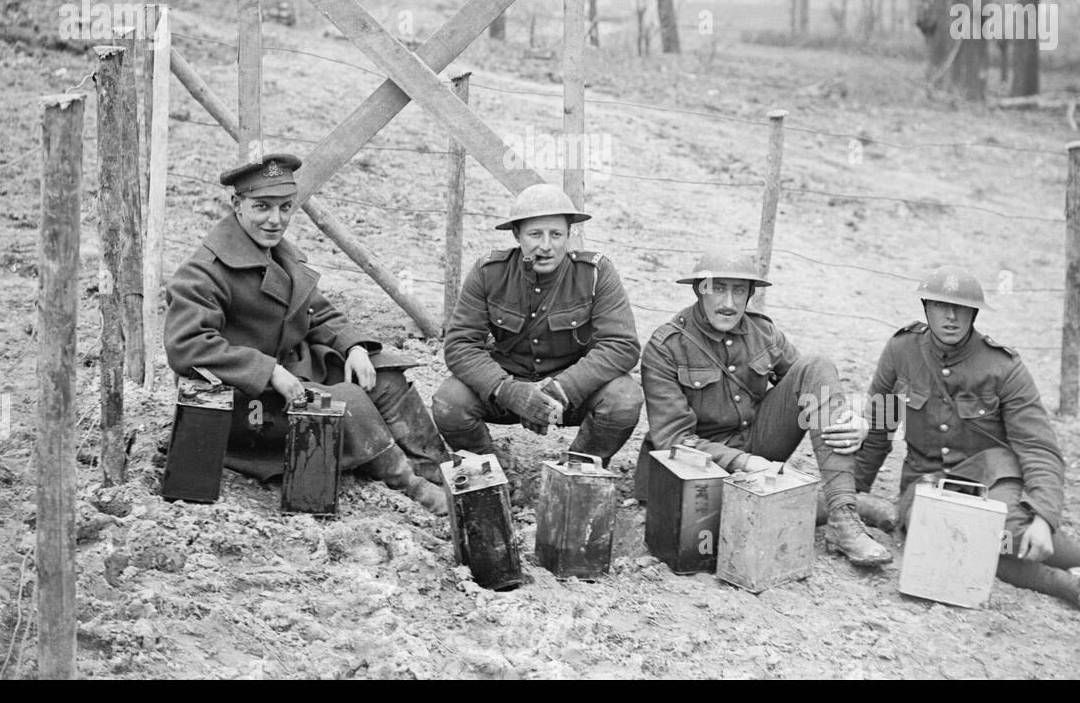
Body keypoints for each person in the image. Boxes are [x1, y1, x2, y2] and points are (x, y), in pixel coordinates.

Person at [854, 264, 1080, 620]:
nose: (950, 317)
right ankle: (1069, 584)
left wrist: (1043, 515)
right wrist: (851, 494)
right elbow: (876, 428)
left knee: (1006, 528)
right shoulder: (900, 351)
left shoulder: (1002, 367)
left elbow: (1038, 447)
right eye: (939, 306)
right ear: (925, 308)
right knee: (944, 539)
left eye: (961, 308)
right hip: (925, 482)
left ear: (974, 313)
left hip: (990, 475)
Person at [164, 152, 449, 514]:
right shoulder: (204, 272)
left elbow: (317, 312)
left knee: (383, 375)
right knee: (347, 399)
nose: (275, 219)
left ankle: (438, 469)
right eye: (262, 207)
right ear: (237, 204)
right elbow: (186, 346)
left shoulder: (280, 256)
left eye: (285, 207)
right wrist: (267, 371)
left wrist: (355, 347)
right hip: (243, 406)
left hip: (291, 377)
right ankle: (411, 486)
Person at [638, 249, 894, 567]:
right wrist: (746, 463)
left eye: (739, 291)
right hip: (696, 472)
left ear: (750, 295)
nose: (729, 303)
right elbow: (674, 441)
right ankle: (832, 503)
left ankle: (843, 515)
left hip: (758, 447)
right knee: (718, 525)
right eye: (718, 288)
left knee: (816, 365)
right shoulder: (666, 347)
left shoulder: (763, 332)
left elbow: (809, 386)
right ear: (698, 289)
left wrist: (853, 421)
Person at [433, 183, 643, 466]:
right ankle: (488, 475)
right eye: (535, 234)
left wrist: (561, 389)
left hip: (570, 395)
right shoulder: (488, 273)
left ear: (569, 234)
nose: (546, 245)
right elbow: (460, 346)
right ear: (517, 235)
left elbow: (621, 346)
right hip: (506, 391)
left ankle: (579, 474)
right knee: (450, 401)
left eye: (556, 234)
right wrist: (510, 392)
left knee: (624, 398)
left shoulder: (595, 274)